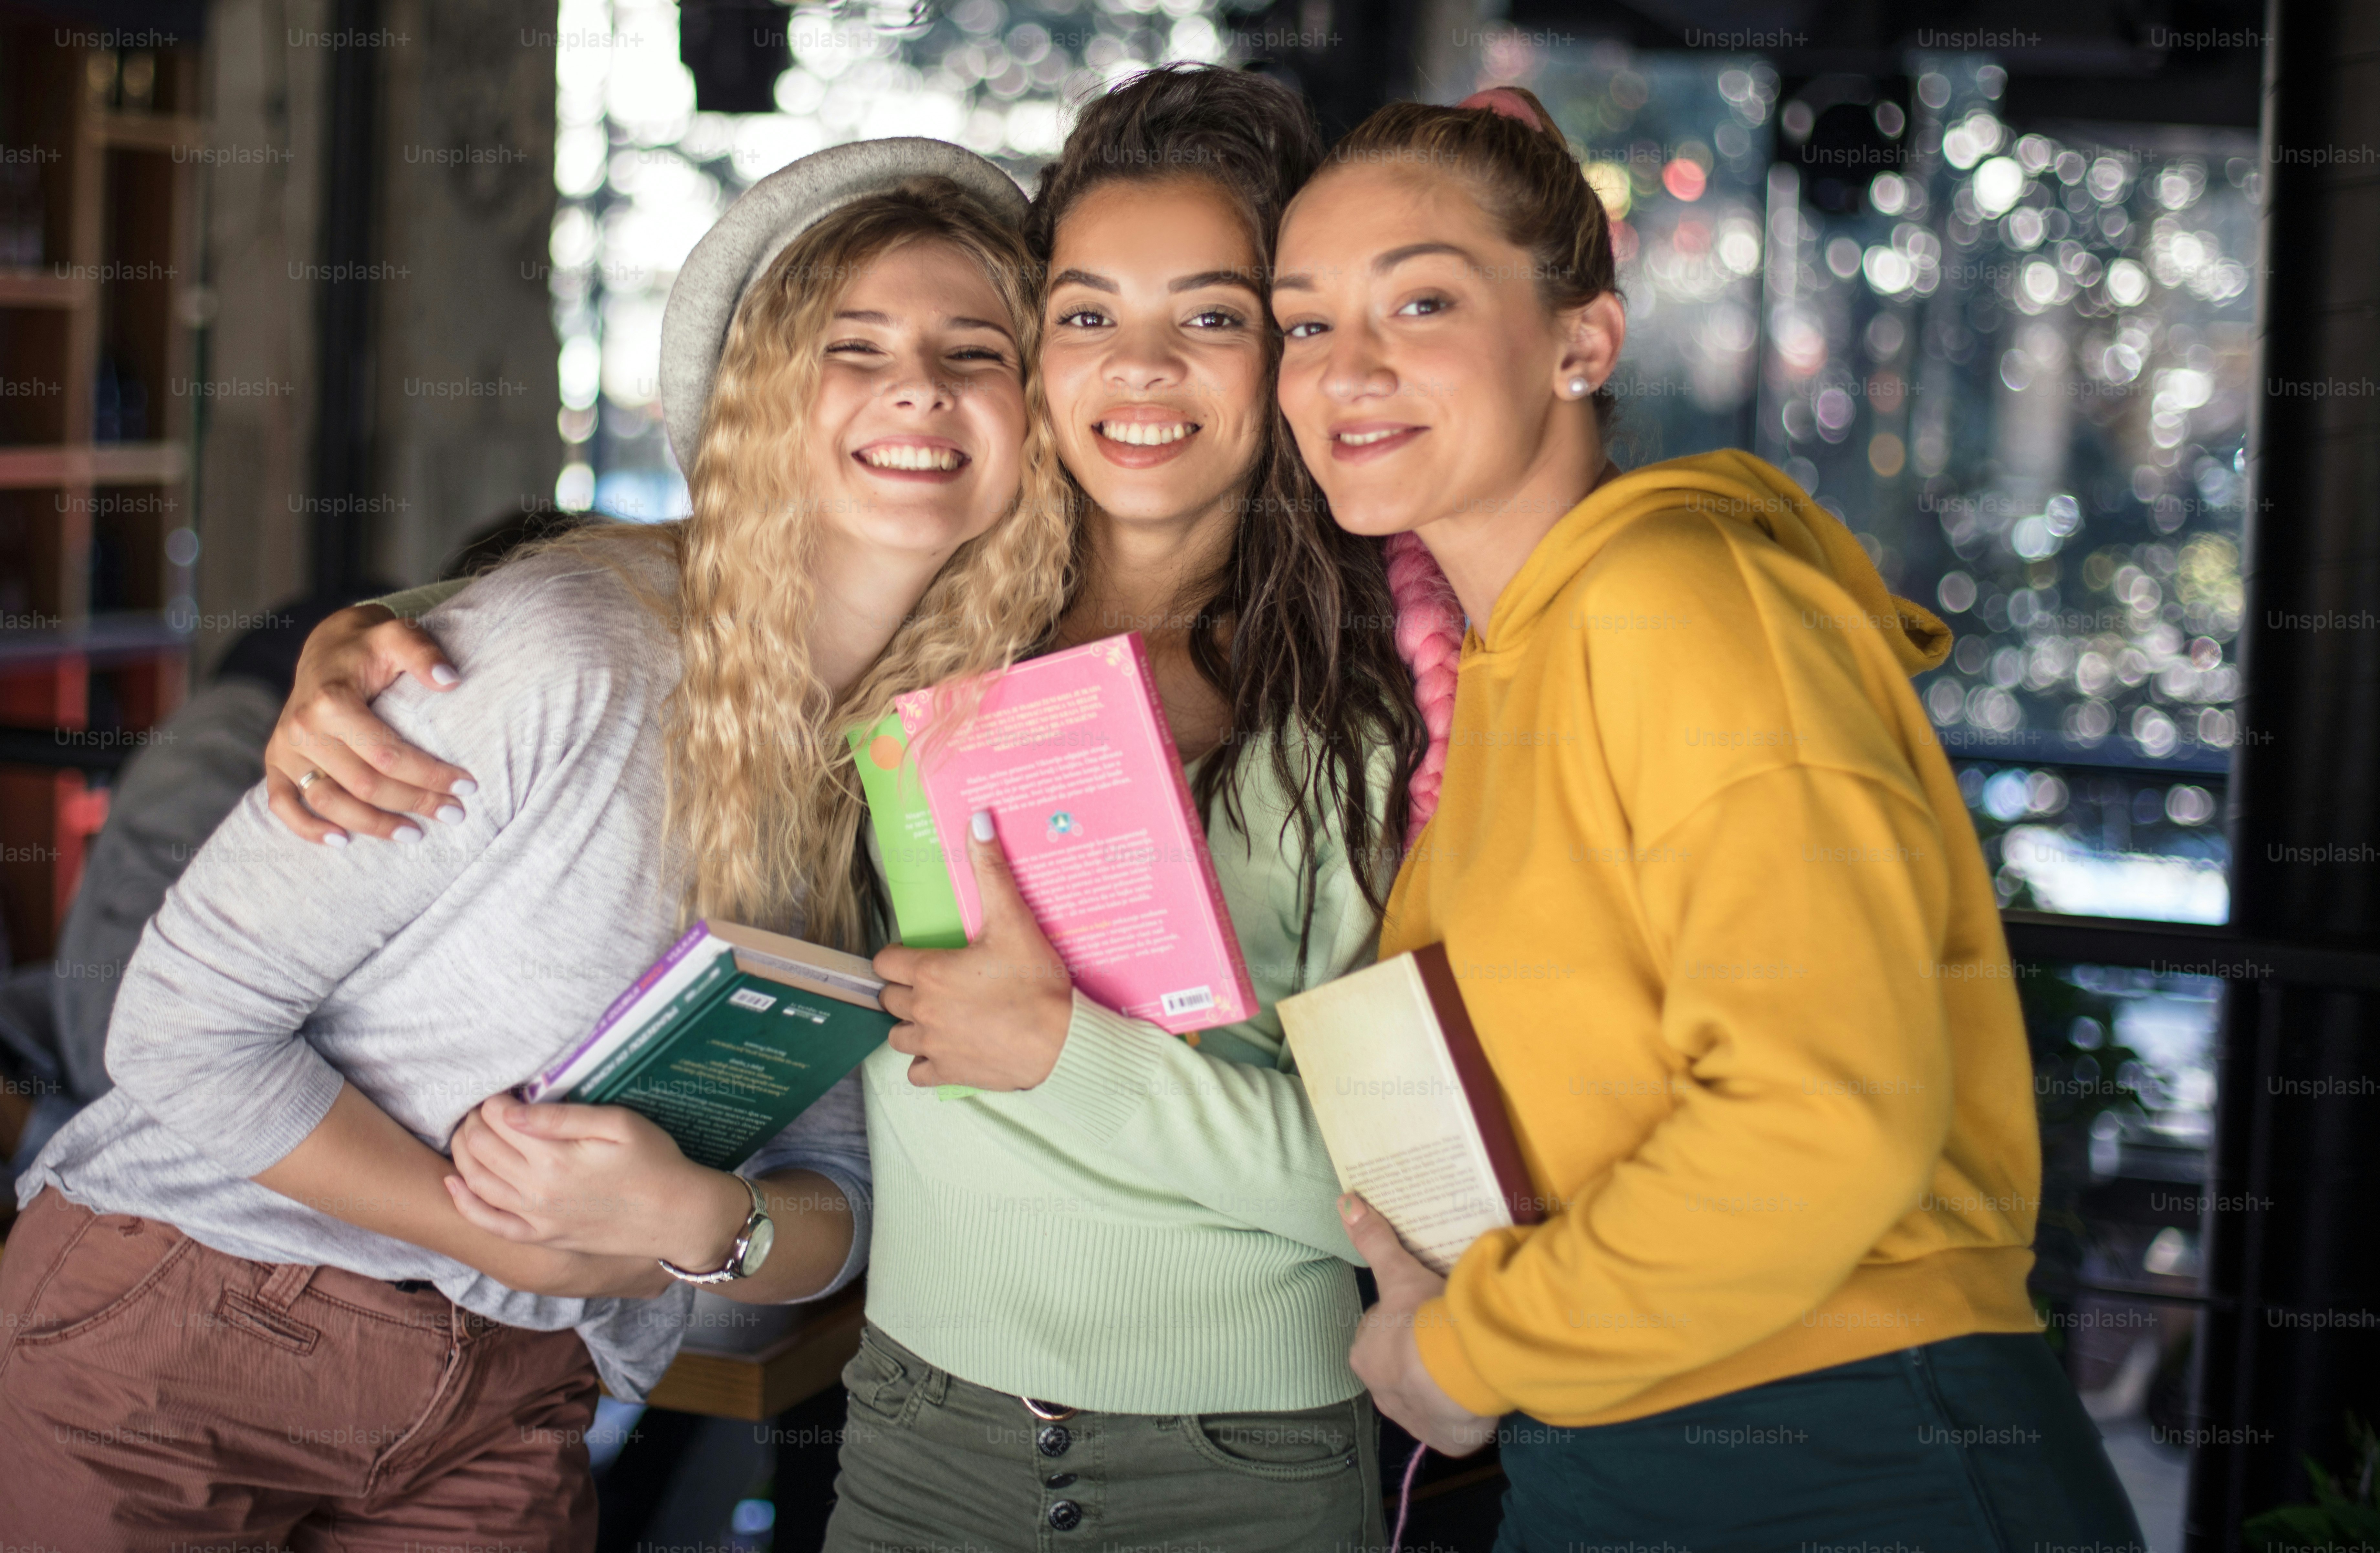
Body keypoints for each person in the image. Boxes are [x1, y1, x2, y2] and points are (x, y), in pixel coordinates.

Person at [251, 68, 1455, 1553]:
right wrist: (367, 639)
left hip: (1242, 1464)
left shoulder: (1377, 712)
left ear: (1288, 349)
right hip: (914, 1439)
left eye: (1210, 316)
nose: (1140, 370)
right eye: (1084, 316)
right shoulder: (937, 619)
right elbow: (684, 584)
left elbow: (1411, 1194)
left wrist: (1065, 1057)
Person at [0, 143, 1070, 1549]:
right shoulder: (569, 647)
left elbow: (844, 1205)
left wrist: (699, 1214)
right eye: (850, 346)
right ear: (755, 401)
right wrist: (501, 1239)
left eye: (973, 350)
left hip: (516, 1399)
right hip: (199, 1314)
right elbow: (178, 1030)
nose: (918, 384)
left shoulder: (925, 771)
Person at [1269, 86, 2147, 1552]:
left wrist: (1459, 1353)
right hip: (1618, 1451)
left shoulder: (1675, 601)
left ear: (1582, 342)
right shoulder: (1513, 663)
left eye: (1419, 301)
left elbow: (1820, 1118)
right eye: (1303, 322)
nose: (1345, 368)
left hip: (1850, 1451)